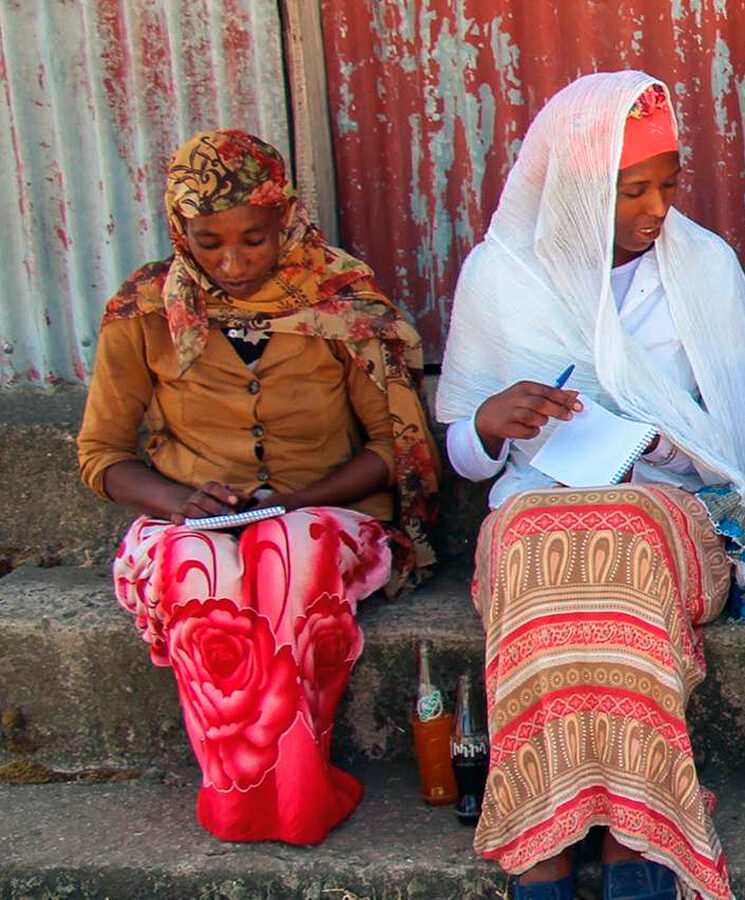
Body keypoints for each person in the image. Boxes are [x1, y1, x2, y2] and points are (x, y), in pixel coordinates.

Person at [434, 71, 745, 900]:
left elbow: (738, 441)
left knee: (619, 535)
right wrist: (492, 425)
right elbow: (464, 456)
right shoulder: (502, 278)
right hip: (534, 513)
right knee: (548, 542)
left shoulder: (701, 268)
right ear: (573, 189)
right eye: (631, 190)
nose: (657, 208)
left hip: (671, 515)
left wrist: (661, 444)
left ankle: (632, 832)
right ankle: (551, 832)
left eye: (668, 184)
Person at [76, 129, 438, 845]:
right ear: (181, 232)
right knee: (197, 566)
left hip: (323, 514)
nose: (233, 262)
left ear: (288, 219)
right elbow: (101, 455)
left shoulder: (344, 303)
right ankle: (238, 791)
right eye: (208, 242)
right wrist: (177, 502)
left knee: (286, 550)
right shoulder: (142, 310)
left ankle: (297, 791)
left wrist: (298, 503)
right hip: (187, 523)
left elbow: (397, 444)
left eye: (255, 237)